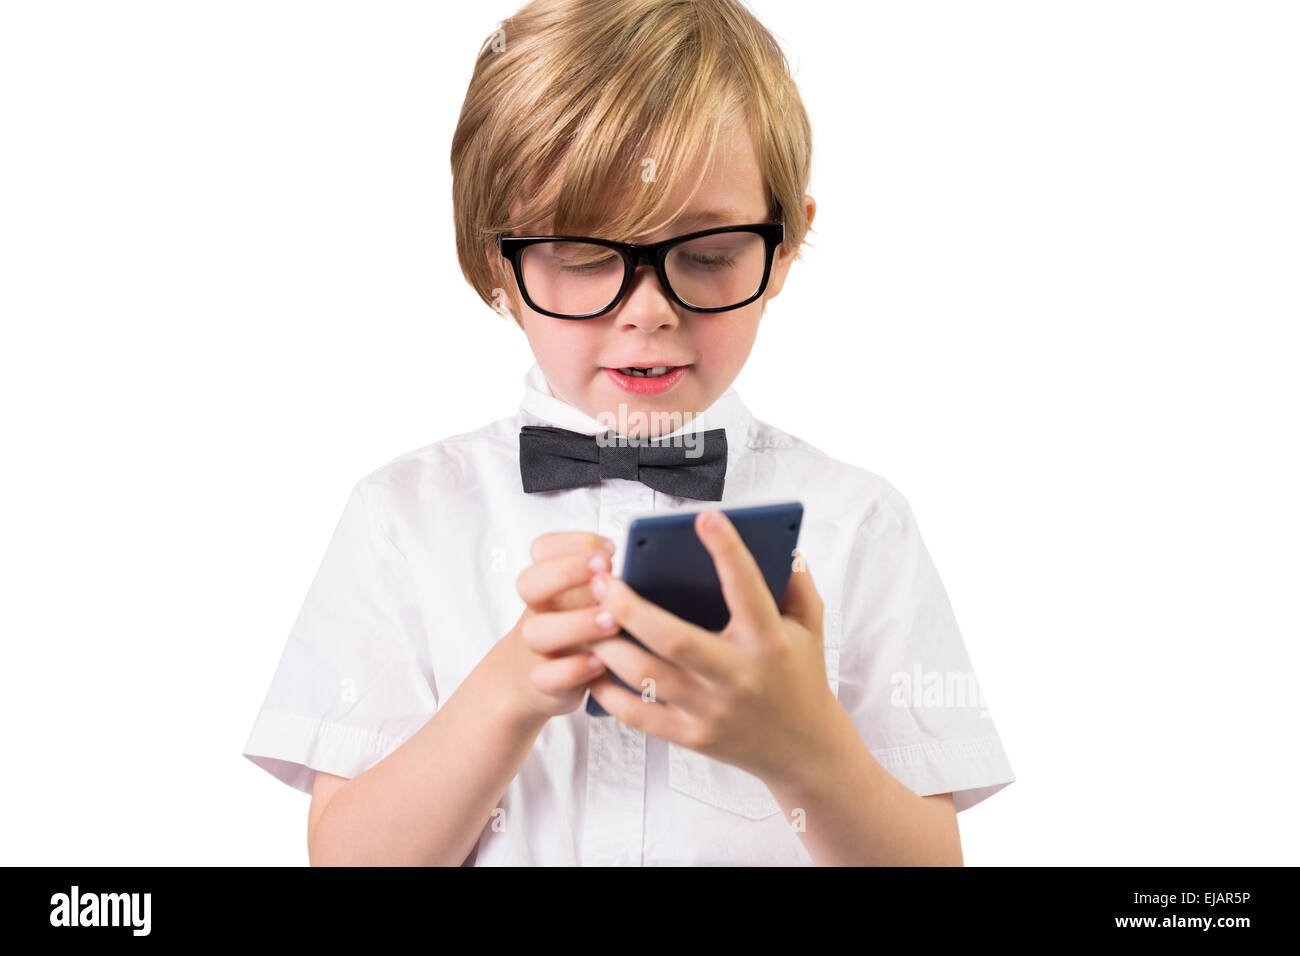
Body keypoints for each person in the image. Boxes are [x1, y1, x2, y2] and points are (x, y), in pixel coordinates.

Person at [242, 0, 1014, 866]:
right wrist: (508, 690)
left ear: (785, 246)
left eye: (711, 252)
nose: (648, 310)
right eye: (580, 257)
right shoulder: (402, 518)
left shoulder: (860, 524)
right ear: (498, 259)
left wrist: (803, 751)